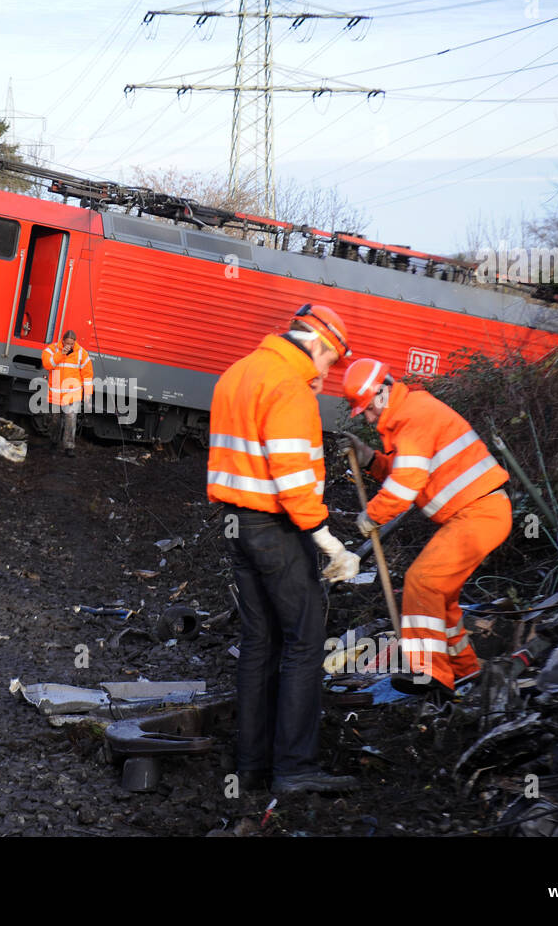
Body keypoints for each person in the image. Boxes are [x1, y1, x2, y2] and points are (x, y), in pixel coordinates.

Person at [208, 304, 362, 795]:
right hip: (275, 526)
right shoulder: (287, 387)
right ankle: (295, 768)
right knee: (304, 638)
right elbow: (294, 481)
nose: (327, 374)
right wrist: (328, 541)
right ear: (317, 344)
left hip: (235, 522)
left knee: (259, 642)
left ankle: (252, 765)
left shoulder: (239, 371)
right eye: (330, 362)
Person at [342, 358, 511, 697]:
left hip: (479, 513)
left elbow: (407, 482)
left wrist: (372, 515)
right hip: (478, 513)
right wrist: (371, 459)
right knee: (441, 601)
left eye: (368, 410)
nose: (369, 418)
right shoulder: (412, 415)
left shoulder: (413, 417)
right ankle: (467, 674)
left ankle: (428, 673)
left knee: (423, 582)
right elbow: (406, 468)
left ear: (382, 394)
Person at [41, 329, 93, 457]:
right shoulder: (51, 350)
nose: (69, 346)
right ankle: (54, 442)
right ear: (63, 341)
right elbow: (48, 365)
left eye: (72, 343)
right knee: (55, 421)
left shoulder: (82, 353)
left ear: (75, 342)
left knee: (71, 419)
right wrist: (61, 354)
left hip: (72, 394)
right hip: (56, 394)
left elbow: (87, 375)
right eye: (67, 343)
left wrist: (87, 394)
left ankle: (69, 447)